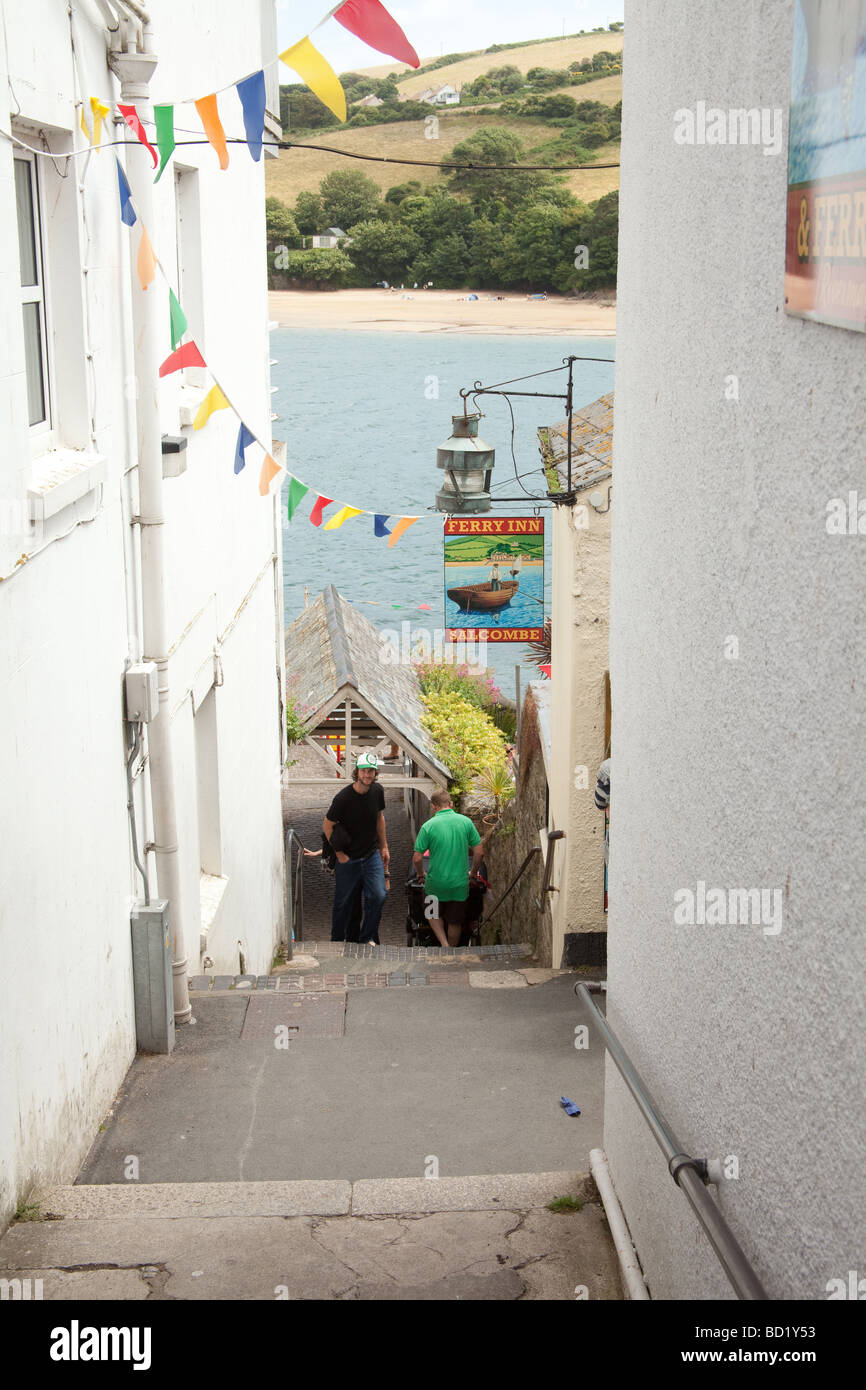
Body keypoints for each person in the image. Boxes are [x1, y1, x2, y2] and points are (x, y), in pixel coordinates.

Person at [323, 752, 390, 944]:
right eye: (364, 771)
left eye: (371, 771)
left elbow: (379, 819)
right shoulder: (343, 798)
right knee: (343, 903)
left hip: (370, 855)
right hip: (348, 859)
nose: (368, 775)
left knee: (378, 895)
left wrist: (384, 846)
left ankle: (366, 938)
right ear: (357, 772)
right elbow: (327, 826)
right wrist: (339, 853)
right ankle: (336, 942)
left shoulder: (377, 791)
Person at [413, 789, 483, 948]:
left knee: (432, 913)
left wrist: (421, 874)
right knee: (455, 921)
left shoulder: (428, 826)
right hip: (459, 884)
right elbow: (479, 853)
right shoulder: (466, 822)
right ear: (450, 804)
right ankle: (451, 951)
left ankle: (444, 945)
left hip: (435, 884)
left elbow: (417, 858)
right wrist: (472, 874)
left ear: (433, 806)